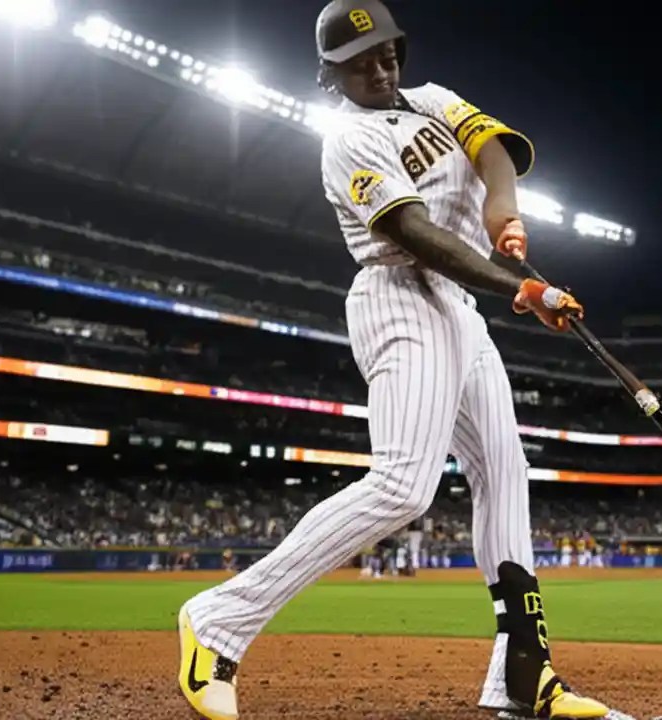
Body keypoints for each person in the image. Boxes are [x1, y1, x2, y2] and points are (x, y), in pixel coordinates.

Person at [175, 1, 609, 718]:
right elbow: (416, 233)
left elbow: (494, 151)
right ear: (330, 74)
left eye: (386, 54)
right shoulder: (347, 139)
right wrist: (520, 288)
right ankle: (219, 620)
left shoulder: (433, 98)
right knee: (405, 486)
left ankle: (523, 669)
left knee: (505, 473)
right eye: (359, 63)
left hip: (461, 308)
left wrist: (505, 215)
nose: (379, 70)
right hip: (401, 295)